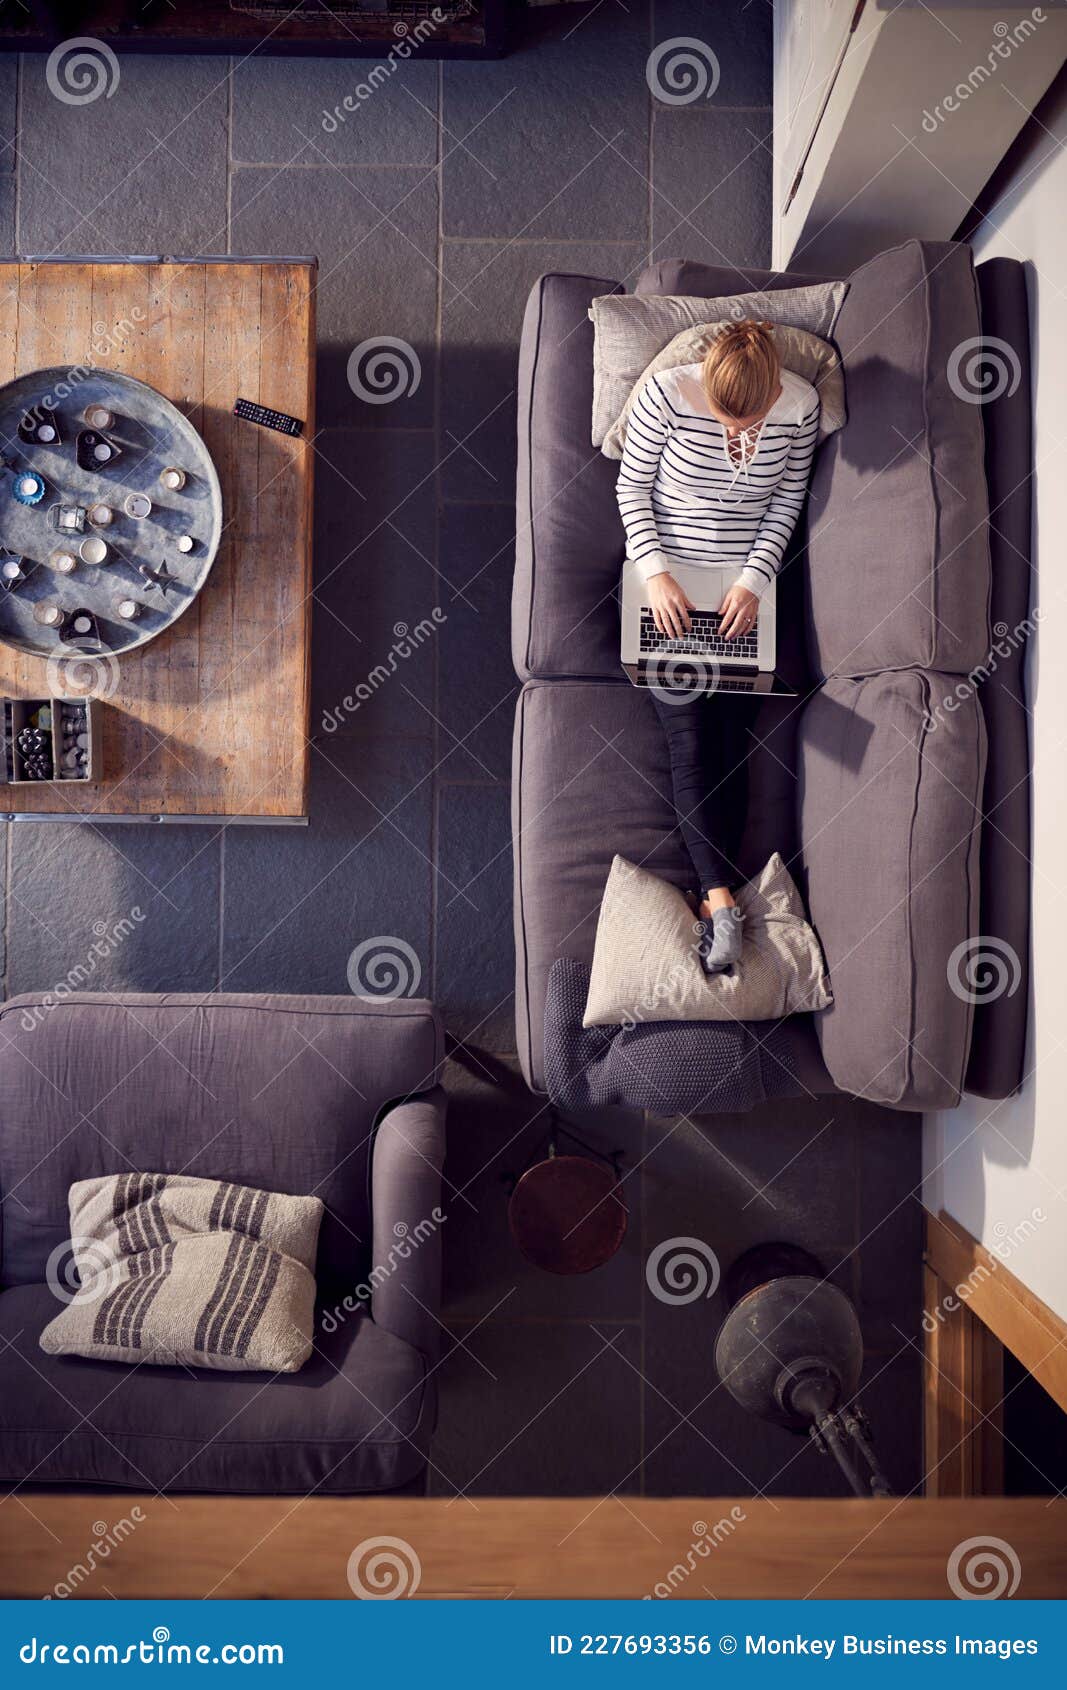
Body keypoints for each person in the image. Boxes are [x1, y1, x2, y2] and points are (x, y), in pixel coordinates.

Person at [616, 319, 820, 973]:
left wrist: (754, 581)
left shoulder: (799, 407)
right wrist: (657, 575)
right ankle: (720, 902)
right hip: (665, 585)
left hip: (739, 596)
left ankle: (715, 904)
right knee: (692, 741)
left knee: (733, 747)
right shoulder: (667, 395)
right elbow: (631, 488)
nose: (736, 433)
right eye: (724, 418)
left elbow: (786, 499)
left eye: (748, 420)